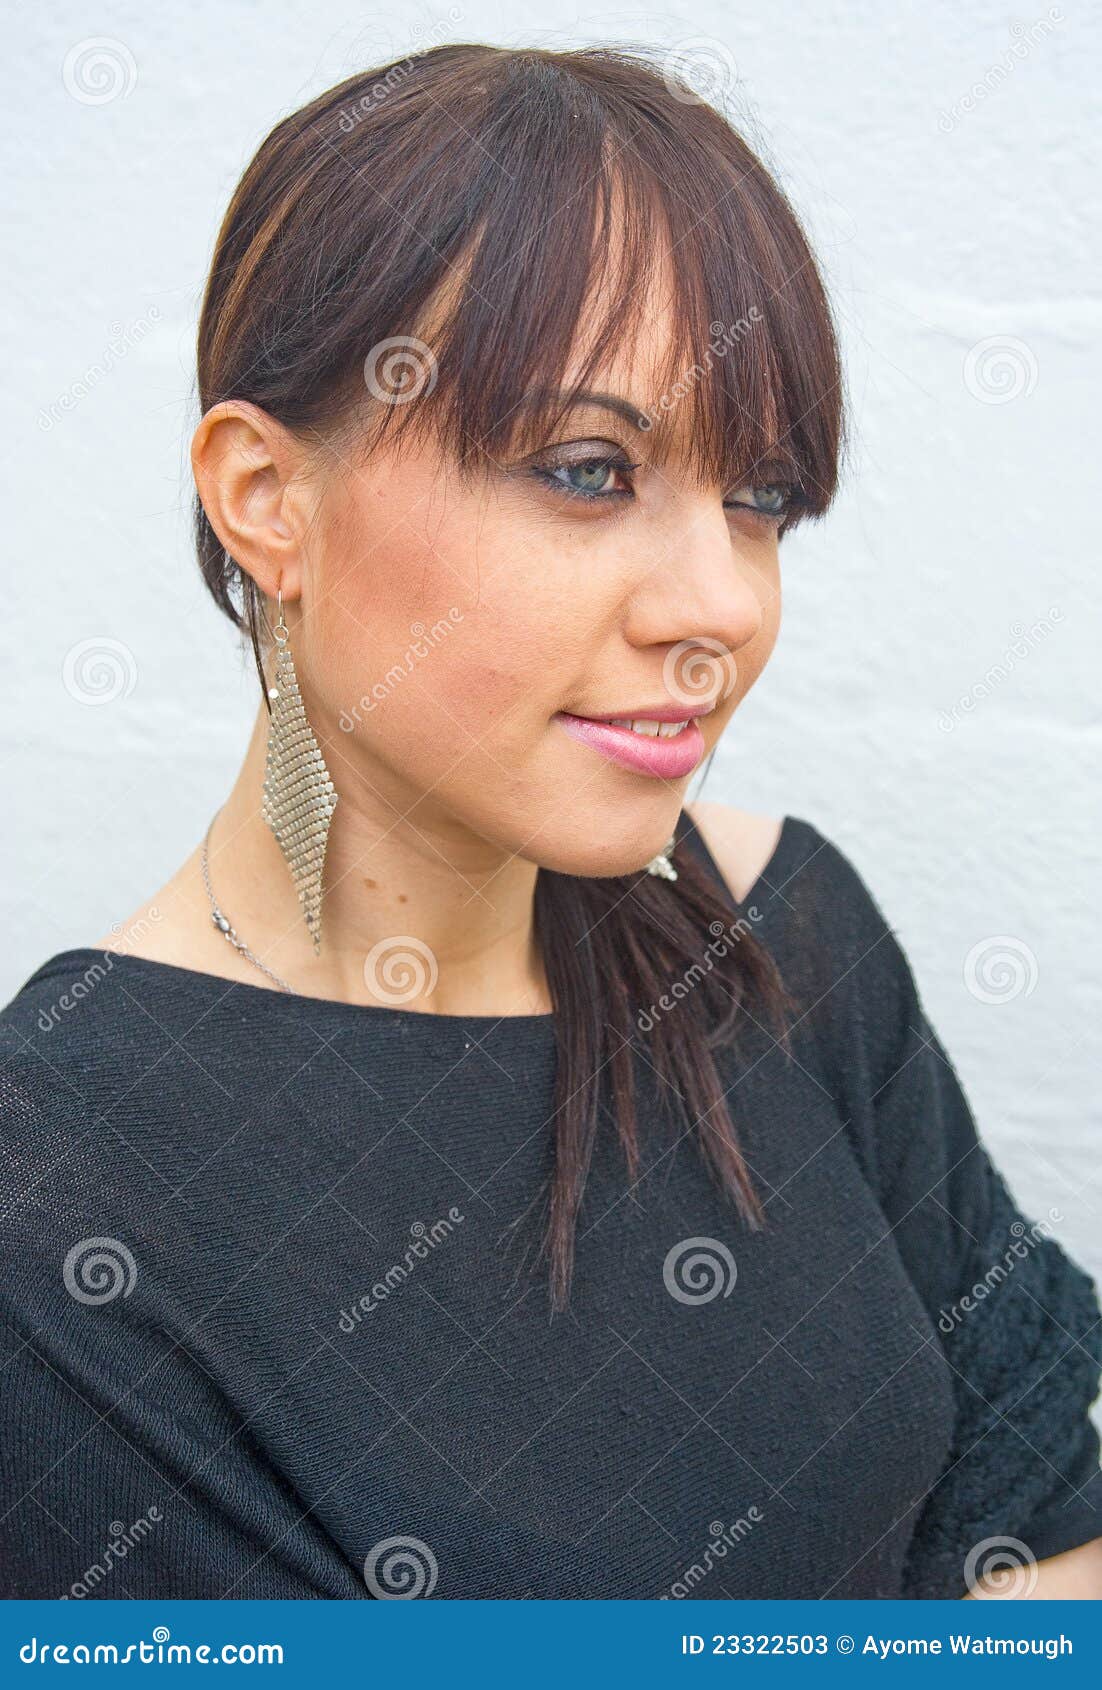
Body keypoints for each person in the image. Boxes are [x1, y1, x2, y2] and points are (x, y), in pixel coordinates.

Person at [2, 43, 1099, 1601]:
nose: (722, 603)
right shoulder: (64, 1193)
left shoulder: (774, 927)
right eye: (590, 471)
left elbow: (1043, 1524)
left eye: (761, 496)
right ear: (266, 497)